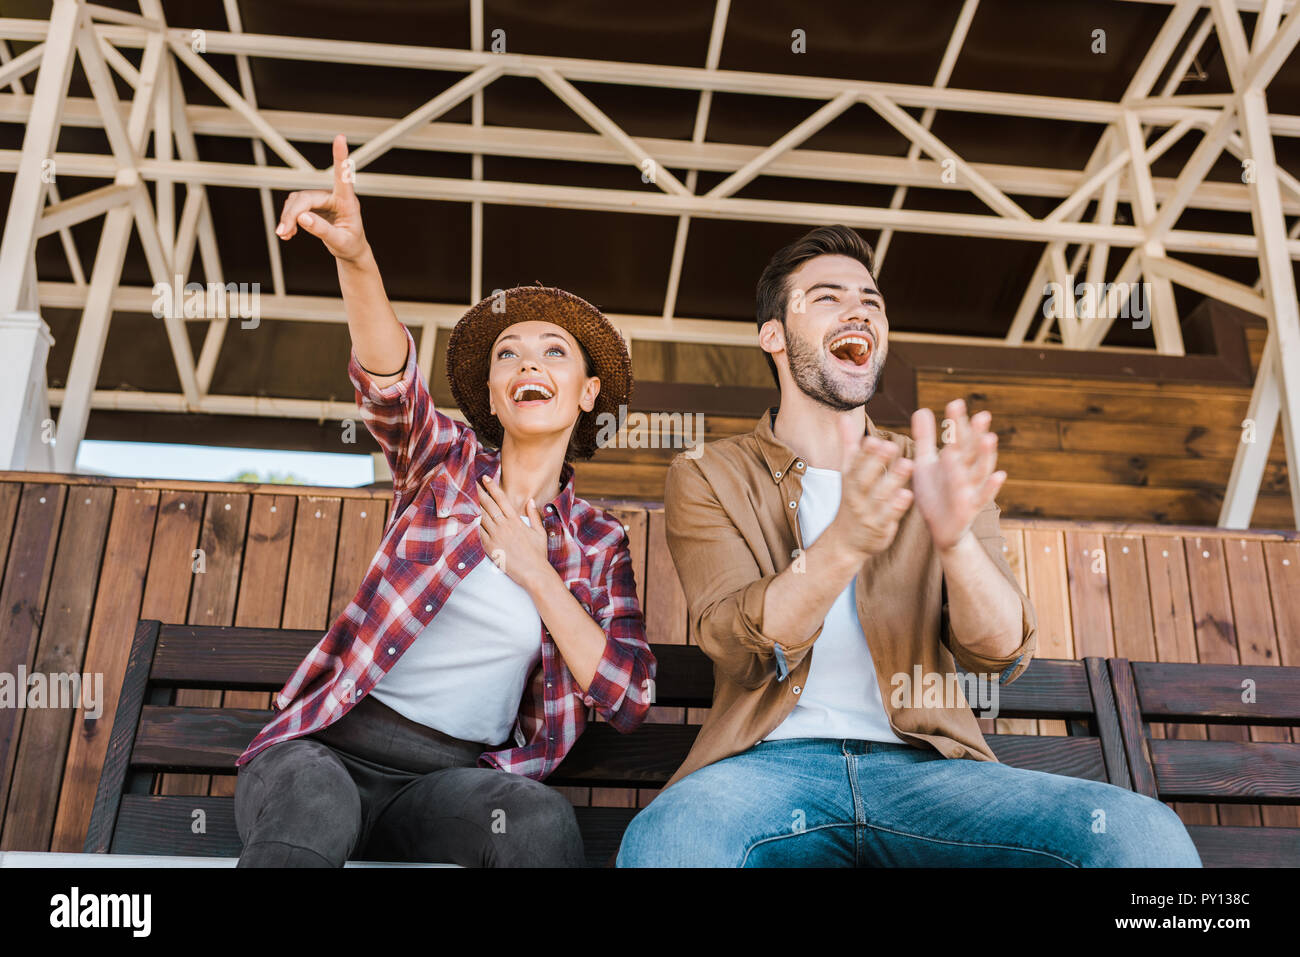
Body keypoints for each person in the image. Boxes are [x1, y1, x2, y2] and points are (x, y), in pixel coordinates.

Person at [616, 224, 1201, 868]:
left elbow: (1000, 654)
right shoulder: (708, 473)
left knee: (1141, 833)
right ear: (773, 336)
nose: (858, 310)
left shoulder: (938, 472)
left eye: (871, 300)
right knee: (666, 844)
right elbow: (736, 645)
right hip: (764, 772)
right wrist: (845, 544)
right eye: (827, 298)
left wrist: (954, 541)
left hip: (932, 774)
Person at [233, 134, 655, 868]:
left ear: (587, 394)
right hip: (328, 749)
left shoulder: (597, 542)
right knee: (317, 810)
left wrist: (538, 573)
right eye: (509, 354)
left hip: (449, 785)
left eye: (555, 351)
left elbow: (629, 693)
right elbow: (390, 384)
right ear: (492, 393)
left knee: (538, 826)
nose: (529, 361)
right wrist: (356, 258)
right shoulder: (446, 461)